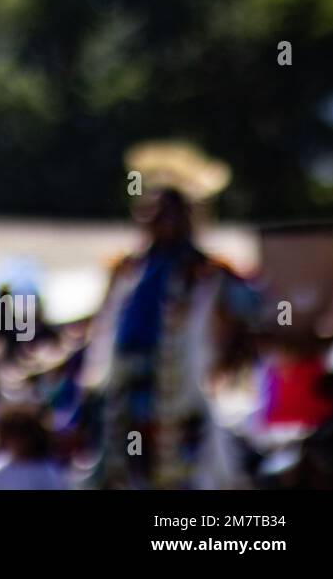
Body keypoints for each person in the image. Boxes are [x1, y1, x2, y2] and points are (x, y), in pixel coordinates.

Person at [82, 143, 257, 489]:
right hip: (127, 386)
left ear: (187, 217)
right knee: (127, 465)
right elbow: (101, 321)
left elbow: (251, 310)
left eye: (168, 213)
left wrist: (231, 349)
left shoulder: (206, 271)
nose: (157, 221)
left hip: (182, 387)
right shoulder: (127, 268)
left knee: (180, 467)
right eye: (151, 212)